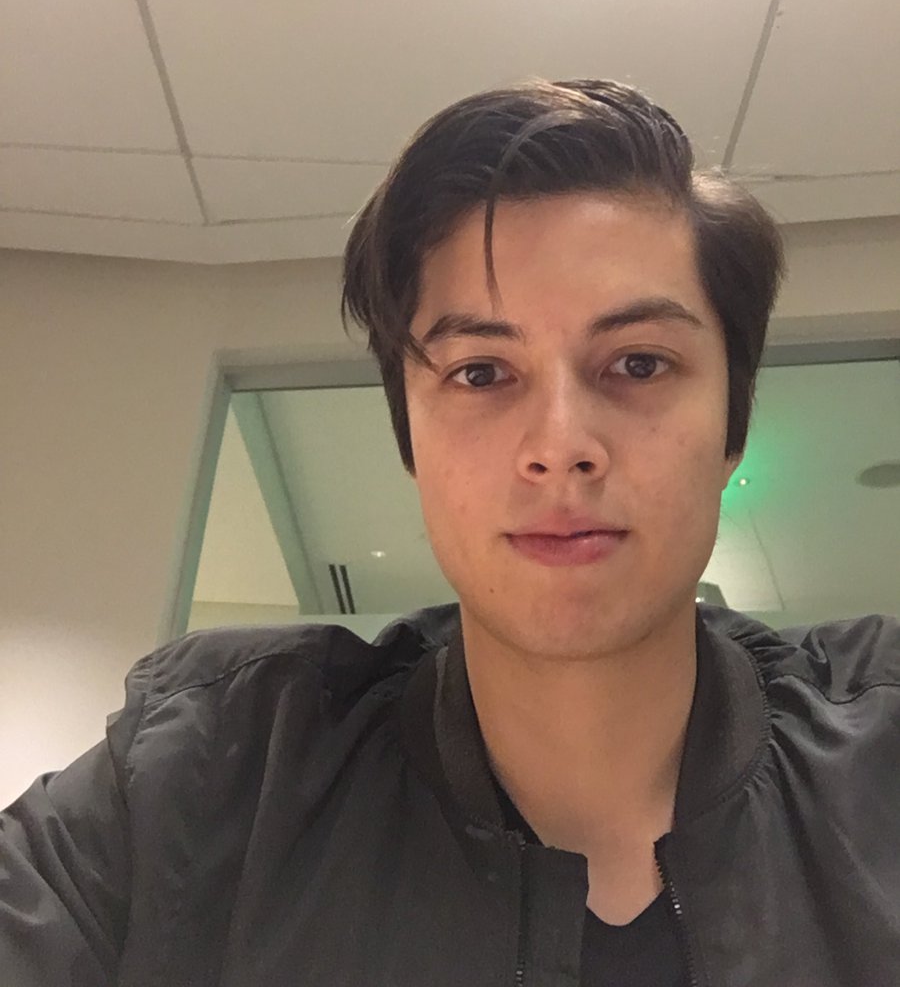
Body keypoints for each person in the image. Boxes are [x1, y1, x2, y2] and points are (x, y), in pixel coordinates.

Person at [1, 79, 898, 986]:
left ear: (732, 425)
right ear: (410, 441)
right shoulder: (210, 776)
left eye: (638, 363)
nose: (560, 446)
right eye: (480, 373)